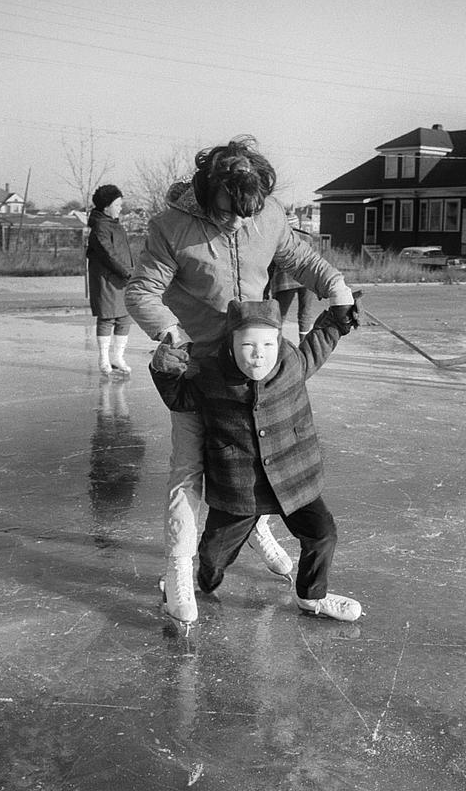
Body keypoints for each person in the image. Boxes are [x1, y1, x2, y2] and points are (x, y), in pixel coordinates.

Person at [124, 137, 357, 629]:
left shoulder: (264, 215)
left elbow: (298, 255)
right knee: (190, 465)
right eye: (231, 210)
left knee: (261, 447)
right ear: (210, 192)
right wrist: (173, 335)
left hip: (256, 356)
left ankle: (255, 522)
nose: (239, 221)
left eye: (249, 211)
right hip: (200, 363)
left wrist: (336, 288)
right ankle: (181, 573)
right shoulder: (172, 228)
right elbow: (142, 289)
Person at [149, 298, 362, 623]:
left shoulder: (293, 363)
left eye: (267, 343)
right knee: (214, 561)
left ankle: (311, 596)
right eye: (248, 344)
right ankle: (203, 578)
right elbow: (179, 398)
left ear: (278, 342)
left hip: (294, 481)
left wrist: (339, 316)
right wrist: (162, 368)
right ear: (231, 347)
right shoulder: (211, 377)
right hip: (239, 491)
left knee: (323, 534)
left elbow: (321, 339)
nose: (259, 353)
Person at [86, 185, 134, 375]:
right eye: (117, 204)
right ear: (106, 207)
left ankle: (118, 357)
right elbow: (108, 254)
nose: (120, 208)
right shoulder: (100, 227)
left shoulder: (115, 223)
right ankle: (104, 359)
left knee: (124, 317)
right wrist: (128, 272)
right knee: (107, 317)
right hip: (107, 278)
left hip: (121, 277)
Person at [270, 229, 316, 341]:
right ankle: (303, 344)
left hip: (285, 278)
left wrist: (266, 286)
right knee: (305, 312)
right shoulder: (308, 237)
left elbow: (271, 263)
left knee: (280, 314)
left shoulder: (278, 236)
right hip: (307, 277)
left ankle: (276, 344)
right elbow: (314, 259)